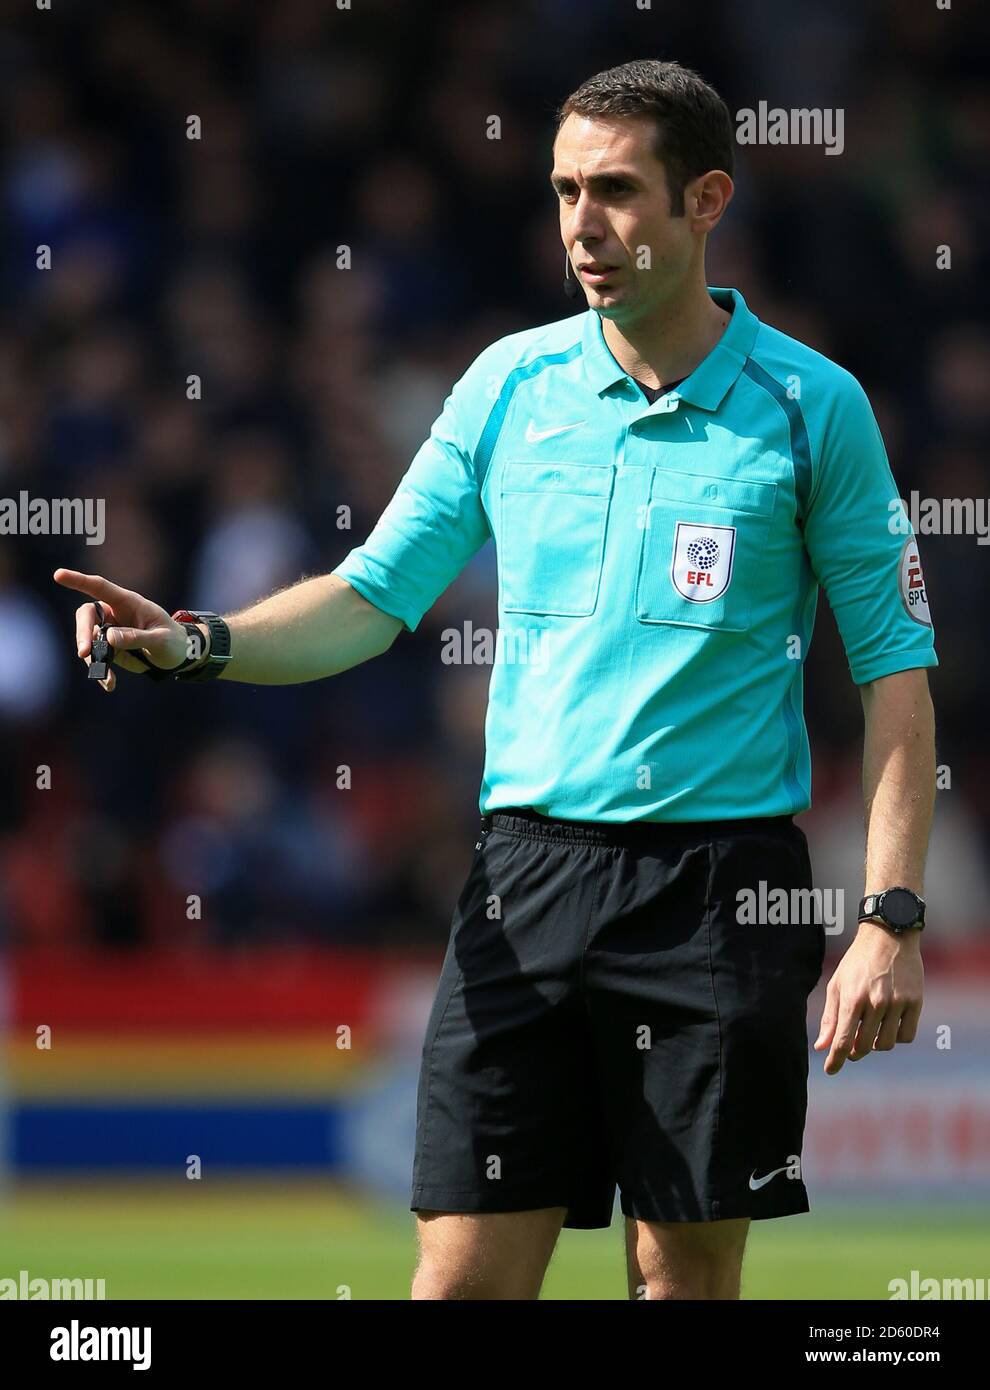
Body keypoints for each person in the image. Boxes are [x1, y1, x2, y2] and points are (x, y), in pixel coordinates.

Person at [55, 59, 938, 1301]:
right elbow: (368, 599)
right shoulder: (509, 385)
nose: (585, 224)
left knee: (682, 1279)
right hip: (524, 880)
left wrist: (889, 918)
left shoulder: (814, 407)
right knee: (459, 1276)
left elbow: (898, 677)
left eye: (620, 191)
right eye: (567, 190)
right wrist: (198, 638)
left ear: (707, 200)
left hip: (719, 889)